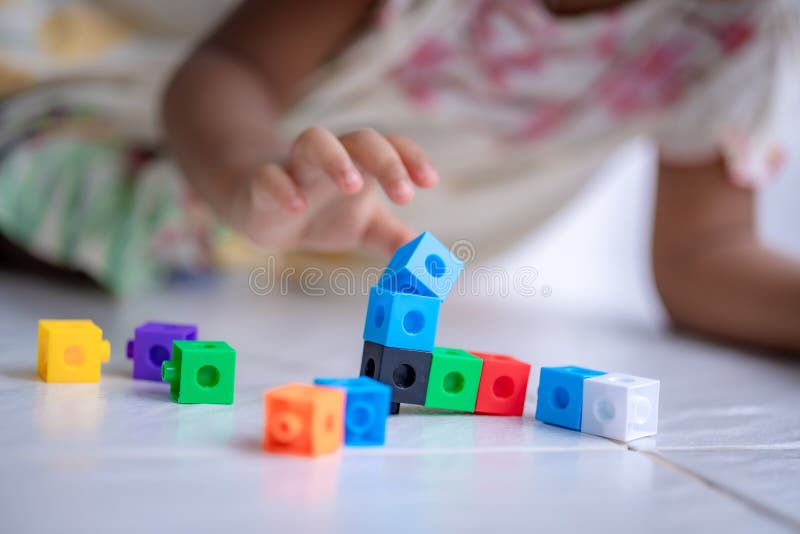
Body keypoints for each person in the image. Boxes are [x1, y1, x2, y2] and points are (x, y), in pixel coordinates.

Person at [1, 0, 799, 352]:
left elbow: (705, 252)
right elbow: (228, 67)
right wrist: (253, 175)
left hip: (316, 252)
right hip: (171, 137)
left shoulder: (737, 26)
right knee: (49, 196)